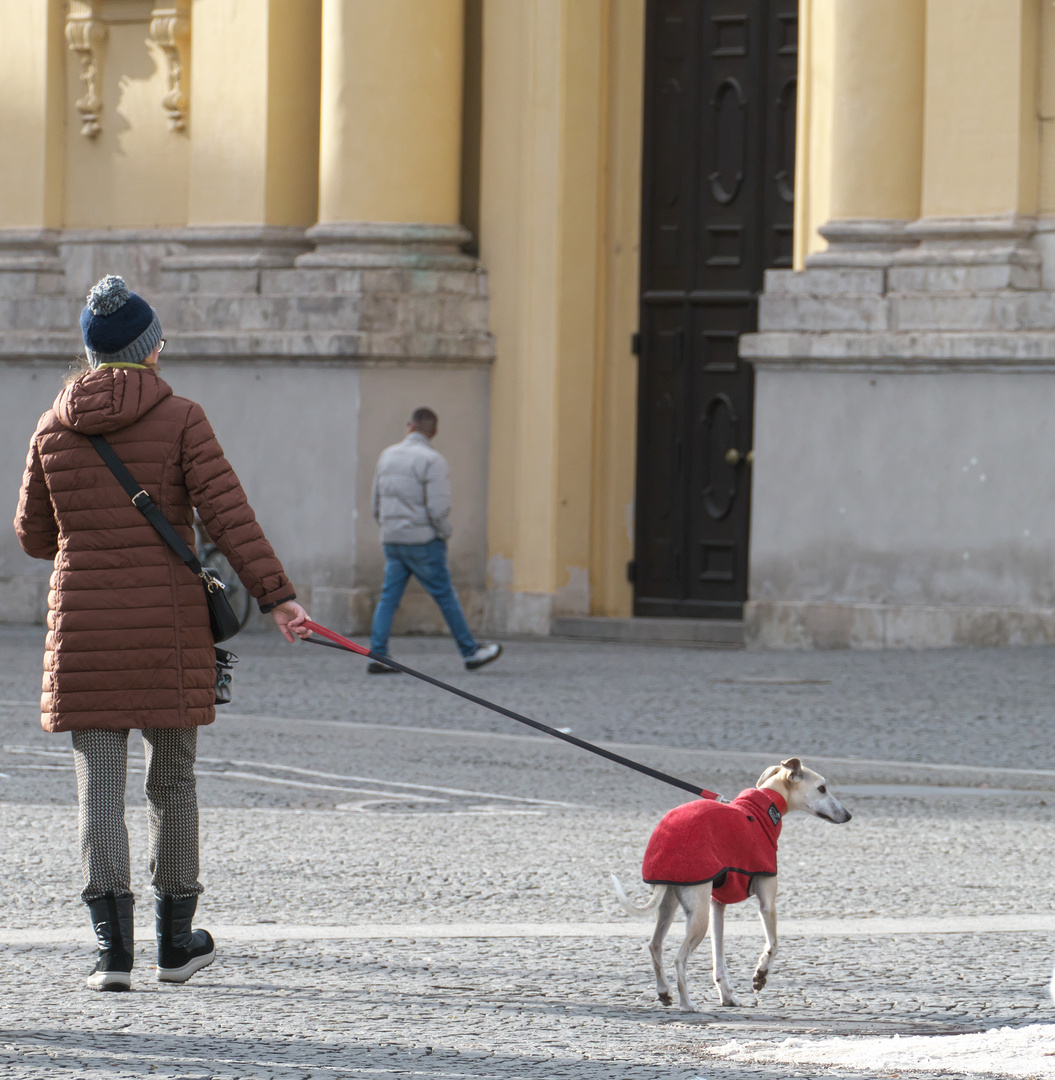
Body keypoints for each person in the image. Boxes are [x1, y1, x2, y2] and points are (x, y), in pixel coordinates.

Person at [13, 275, 311, 992]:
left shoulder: (53, 425)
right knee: (173, 783)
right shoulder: (180, 417)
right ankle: (176, 946)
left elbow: (31, 536)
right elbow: (228, 516)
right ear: (147, 351)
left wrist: (92, 538)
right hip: (170, 629)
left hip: (84, 627)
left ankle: (111, 954)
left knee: (100, 793)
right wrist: (279, 600)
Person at [369, 407, 501, 673]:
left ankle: (378, 654)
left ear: (410, 427)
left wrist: (388, 527)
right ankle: (470, 651)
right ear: (435, 431)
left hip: (393, 539)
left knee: (388, 598)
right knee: (445, 596)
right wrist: (443, 533)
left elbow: (375, 502)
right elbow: (438, 508)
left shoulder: (387, 455)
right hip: (423, 540)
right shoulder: (433, 460)